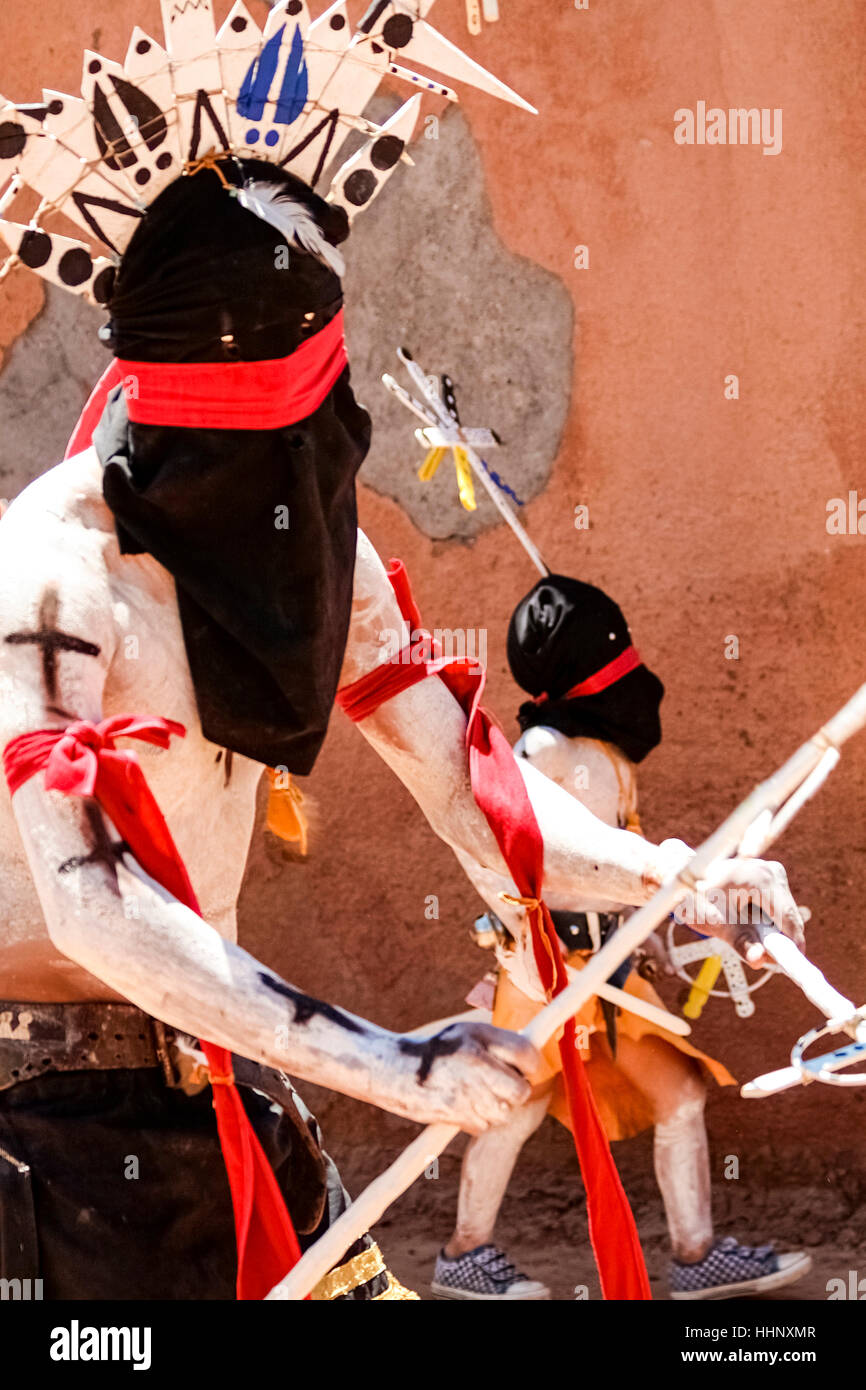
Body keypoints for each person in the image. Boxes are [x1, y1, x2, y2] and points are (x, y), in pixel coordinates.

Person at [0, 5, 805, 1302]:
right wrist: (385, 1061)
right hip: (37, 1130)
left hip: (221, 1086)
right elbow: (89, 903)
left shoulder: (314, 552)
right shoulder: (54, 572)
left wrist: (672, 878)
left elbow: (476, 794)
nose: (303, 470)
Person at [433, 574, 811, 1301]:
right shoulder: (539, 750)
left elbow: (626, 856)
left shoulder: (609, 758)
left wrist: (662, 937)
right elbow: (514, 854)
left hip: (614, 972)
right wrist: (517, 941)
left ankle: (697, 1256)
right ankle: (463, 1254)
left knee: (679, 1091)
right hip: (546, 967)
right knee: (512, 1102)